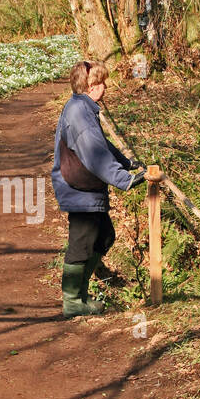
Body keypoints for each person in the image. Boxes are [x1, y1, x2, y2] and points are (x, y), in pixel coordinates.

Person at [51, 60, 146, 317]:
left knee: (104, 236)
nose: (105, 87)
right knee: (81, 244)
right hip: (79, 189)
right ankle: (72, 301)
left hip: (85, 186)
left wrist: (127, 163)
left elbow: (101, 144)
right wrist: (124, 179)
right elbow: (93, 154)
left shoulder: (83, 108)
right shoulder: (80, 113)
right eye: (102, 82)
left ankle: (80, 294)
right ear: (91, 86)